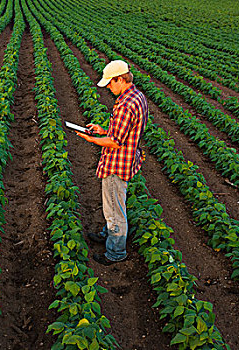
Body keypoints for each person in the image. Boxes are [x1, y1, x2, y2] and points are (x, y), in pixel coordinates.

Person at [75, 60, 148, 265]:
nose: (108, 87)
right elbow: (124, 132)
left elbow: (115, 142)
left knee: (115, 210)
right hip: (127, 157)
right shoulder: (137, 97)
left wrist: (92, 139)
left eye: (110, 83)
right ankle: (108, 233)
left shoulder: (126, 105)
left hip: (117, 163)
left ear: (120, 79)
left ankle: (116, 252)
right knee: (114, 205)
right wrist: (102, 130)